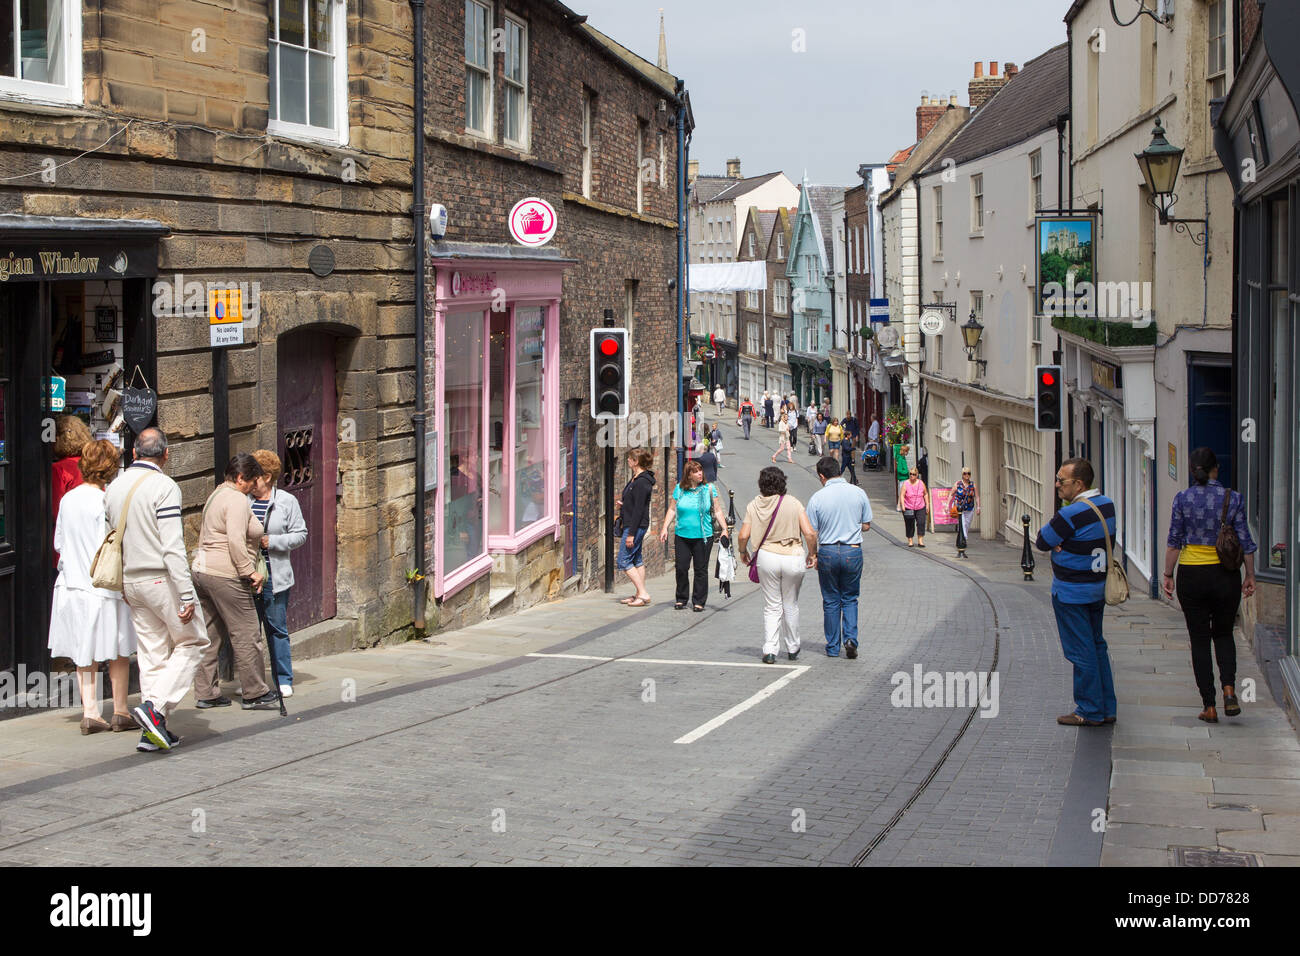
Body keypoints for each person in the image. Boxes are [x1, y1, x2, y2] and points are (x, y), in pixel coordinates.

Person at [105, 427, 210, 753]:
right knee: (194, 641)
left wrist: (122, 583)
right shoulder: (164, 486)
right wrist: (186, 594)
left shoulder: (114, 487)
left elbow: (111, 540)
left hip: (131, 582)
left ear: (134, 453)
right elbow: (172, 547)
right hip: (160, 580)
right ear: (166, 455)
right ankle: (154, 708)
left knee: (152, 654)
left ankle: (152, 731)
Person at [48, 439, 137, 735]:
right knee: (118, 650)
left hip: (73, 584)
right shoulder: (106, 500)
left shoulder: (69, 500)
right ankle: (121, 711)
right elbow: (113, 543)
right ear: (111, 469)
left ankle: (90, 712)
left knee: (83, 651)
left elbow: (58, 543)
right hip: (105, 585)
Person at [1162, 447, 1257, 723]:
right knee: (1224, 633)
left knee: (1199, 640)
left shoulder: (1182, 499)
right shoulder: (1233, 498)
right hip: (1224, 576)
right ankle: (1229, 690)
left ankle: (1209, 705)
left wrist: (1168, 574)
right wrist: (1249, 575)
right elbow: (1246, 542)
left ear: (1193, 471)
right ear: (1216, 469)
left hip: (1191, 575)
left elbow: (1173, 541)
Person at [192, 453, 280, 712]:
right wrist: (249, 572)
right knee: (247, 633)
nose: (254, 488)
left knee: (211, 633)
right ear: (241, 478)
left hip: (203, 571)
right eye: (252, 483)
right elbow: (234, 541)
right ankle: (254, 692)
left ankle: (206, 692)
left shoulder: (216, 495)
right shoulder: (236, 500)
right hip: (226, 574)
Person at [1035, 458, 1118, 727]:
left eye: (1062, 481)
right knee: (1097, 646)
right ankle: (1107, 707)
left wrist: (1064, 543)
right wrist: (1067, 542)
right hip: (1097, 589)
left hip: (1072, 592)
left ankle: (1089, 709)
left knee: (1081, 652)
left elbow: (1043, 541)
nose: (1057, 485)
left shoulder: (1070, 515)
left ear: (1079, 484)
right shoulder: (1106, 505)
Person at [739, 466, 819, 664]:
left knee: (772, 605)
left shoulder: (753, 505)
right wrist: (812, 553)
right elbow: (809, 533)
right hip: (793, 555)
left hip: (767, 556)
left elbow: (743, 535)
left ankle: (770, 649)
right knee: (790, 604)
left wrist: (743, 551)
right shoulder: (793, 502)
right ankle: (793, 647)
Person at [248, 449, 308, 698]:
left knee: (277, 629)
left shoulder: (286, 501)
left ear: (268, 477)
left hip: (275, 576)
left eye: (256, 478)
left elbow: (301, 534)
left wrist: (272, 541)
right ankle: (253, 682)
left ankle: (283, 678)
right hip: (250, 577)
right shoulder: (243, 501)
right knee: (250, 634)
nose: (251, 482)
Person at [806, 456, 873, 658]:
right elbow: (867, 525)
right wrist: (852, 525)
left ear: (822, 476)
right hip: (852, 550)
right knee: (850, 598)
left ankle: (833, 646)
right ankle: (850, 639)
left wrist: (813, 554)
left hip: (827, 551)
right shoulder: (859, 492)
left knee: (831, 600)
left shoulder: (817, 497)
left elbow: (811, 532)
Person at [660, 459, 728, 612]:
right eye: (696, 471)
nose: (700, 473)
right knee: (681, 568)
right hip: (682, 535)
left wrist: (725, 529)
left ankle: (699, 601)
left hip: (703, 537)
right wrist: (665, 527)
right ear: (689, 475)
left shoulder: (708, 489)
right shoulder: (680, 489)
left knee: (700, 569)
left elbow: (717, 510)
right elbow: (672, 509)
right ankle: (681, 598)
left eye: (700, 470)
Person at [615, 448, 656, 608]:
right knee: (636, 559)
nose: (628, 461)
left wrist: (631, 533)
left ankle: (643, 593)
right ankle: (640, 594)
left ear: (636, 462)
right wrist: (625, 505)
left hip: (635, 526)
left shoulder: (642, 482)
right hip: (633, 523)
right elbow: (635, 504)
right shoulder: (636, 479)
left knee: (623, 561)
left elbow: (640, 509)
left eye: (630, 459)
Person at [51, 415, 92, 567]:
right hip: (89, 533)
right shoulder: (89, 465)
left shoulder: (58, 469)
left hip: (68, 537)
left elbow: (56, 510)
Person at [897, 466, 928, 547]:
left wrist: (927, 505)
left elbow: (925, 494)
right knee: (909, 524)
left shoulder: (921, 483)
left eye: (914, 474)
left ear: (917, 475)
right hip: (908, 506)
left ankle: (920, 540)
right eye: (910, 474)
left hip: (920, 506)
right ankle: (910, 540)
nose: (912, 476)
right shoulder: (906, 483)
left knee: (921, 522)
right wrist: (902, 505)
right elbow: (902, 495)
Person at [952, 467, 980, 557]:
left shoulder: (973, 485)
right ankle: (963, 541)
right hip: (960, 508)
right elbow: (951, 494)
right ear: (962, 474)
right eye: (965, 473)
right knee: (963, 524)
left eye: (968, 473)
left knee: (967, 524)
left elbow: (977, 497)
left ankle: (963, 539)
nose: (967, 475)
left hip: (970, 508)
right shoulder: (958, 484)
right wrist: (946, 505)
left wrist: (979, 507)